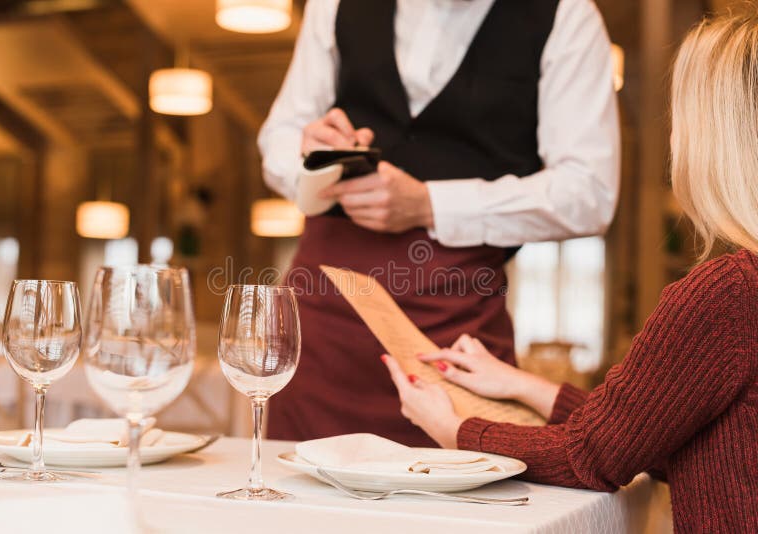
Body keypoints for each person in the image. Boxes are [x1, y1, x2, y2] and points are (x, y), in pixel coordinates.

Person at [382, 13, 758, 532]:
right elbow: (658, 440)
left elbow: (594, 457)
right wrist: (526, 387)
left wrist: (455, 431)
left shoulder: (729, 293)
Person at [259, 0, 620, 446]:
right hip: (323, 324)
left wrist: (430, 204)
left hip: (456, 329)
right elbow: (277, 141)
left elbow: (590, 193)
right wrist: (310, 158)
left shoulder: (565, 15)